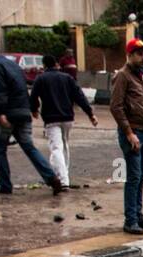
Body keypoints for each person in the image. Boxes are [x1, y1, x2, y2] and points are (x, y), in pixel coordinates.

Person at [0, 44, 61, 196]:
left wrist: (0, 114)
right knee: (29, 147)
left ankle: (5, 185)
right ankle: (52, 178)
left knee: (0, 149)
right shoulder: (14, 65)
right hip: (23, 111)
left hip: (8, 112)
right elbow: (23, 87)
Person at [110, 38, 143, 233]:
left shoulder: (140, 76)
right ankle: (130, 220)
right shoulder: (122, 76)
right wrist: (129, 133)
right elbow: (116, 107)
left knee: (141, 176)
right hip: (132, 133)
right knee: (133, 177)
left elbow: (139, 105)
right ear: (130, 55)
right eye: (139, 54)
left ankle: (138, 216)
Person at [29, 53, 95, 190]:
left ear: (44, 65)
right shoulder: (67, 78)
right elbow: (79, 96)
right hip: (67, 117)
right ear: (57, 64)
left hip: (51, 118)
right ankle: (63, 174)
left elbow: (33, 96)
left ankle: (63, 179)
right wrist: (90, 113)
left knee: (56, 148)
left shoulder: (41, 79)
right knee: (64, 145)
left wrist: (34, 109)